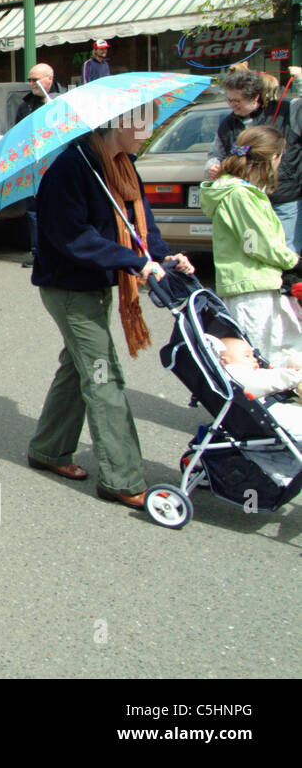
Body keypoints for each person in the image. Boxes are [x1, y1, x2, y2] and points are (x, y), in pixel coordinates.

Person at [28, 111, 195, 510]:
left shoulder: (122, 165)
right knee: (104, 375)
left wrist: (165, 258)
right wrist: (133, 262)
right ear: (118, 124)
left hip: (98, 286)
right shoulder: (70, 168)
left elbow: (143, 227)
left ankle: (48, 449)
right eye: (144, 124)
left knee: (78, 367)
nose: (150, 132)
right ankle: (122, 478)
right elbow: (72, 236)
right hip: (68, 288)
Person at [200, 125, 302, 365]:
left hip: (256, 284)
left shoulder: (242, 191)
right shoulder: (239, 194)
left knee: (281, 354)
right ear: (271, 159)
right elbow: (257, 243)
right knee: (262, 358)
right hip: (250, 288)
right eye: (279, 158)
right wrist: (293, 262)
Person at [207, 68, 301, 251]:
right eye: (229, 100)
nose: (232, 105)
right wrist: (212, 166)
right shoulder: (227, 124)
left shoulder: (287, 111)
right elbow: (215, 154)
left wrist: (299, 81)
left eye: (237, 101)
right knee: (257, 251)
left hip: (285, 198)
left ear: (255, 98)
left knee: (286, 251)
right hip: (249, 201)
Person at [15, 63, 63, 268]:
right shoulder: (25, 105)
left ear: (49, 79)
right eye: (30, 80)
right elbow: (17, 134)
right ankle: (38, 252)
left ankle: (62, 251)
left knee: (60, 209)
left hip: (59, 164)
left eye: (36, 79)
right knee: (34, 211)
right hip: (34, 165)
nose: (32, 84)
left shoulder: (63, 100)